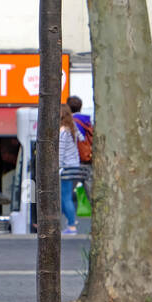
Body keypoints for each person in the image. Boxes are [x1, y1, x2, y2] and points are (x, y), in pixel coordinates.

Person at [59, 104, 83, 233]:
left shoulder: (63, 131)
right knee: (67, 195)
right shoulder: (73, 127)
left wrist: (57, 166)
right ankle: (71, 220)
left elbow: (60, 152)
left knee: (65, 196)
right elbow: (82, 138)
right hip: (75, 165)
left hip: (66, 167)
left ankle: (72, 224)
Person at [66, 94, 93, 199]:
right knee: (91, 194)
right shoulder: (87, 121)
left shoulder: (71, 123)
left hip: (74, 162)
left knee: (65, 195)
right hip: (87, 160)